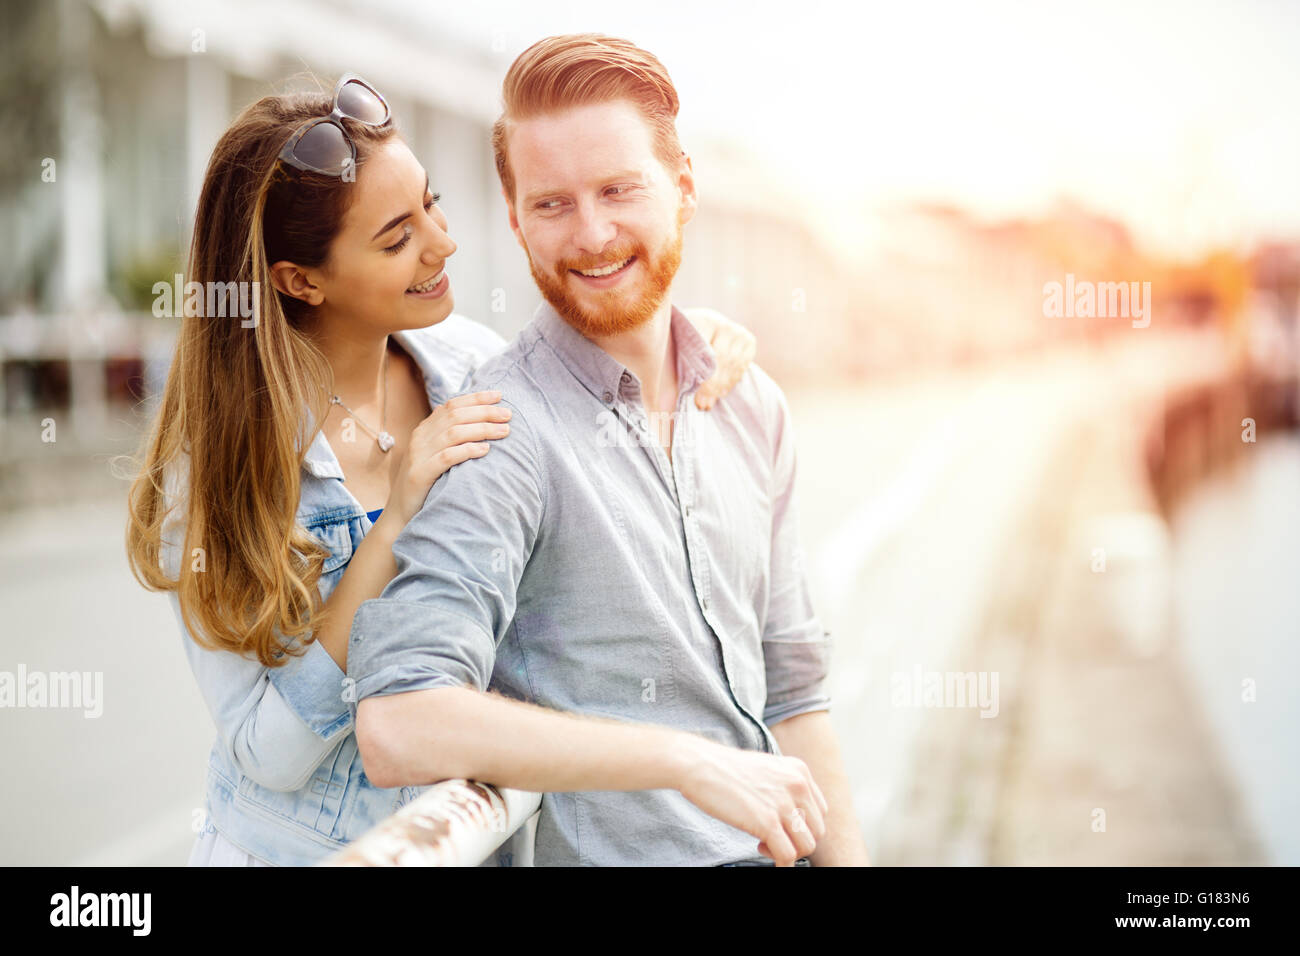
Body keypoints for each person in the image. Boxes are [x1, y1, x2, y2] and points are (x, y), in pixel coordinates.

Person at [124, 72, 759, 867]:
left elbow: (595, 413)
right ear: (300, 280)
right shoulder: (217, 471)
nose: (442, 242)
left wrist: (678, 332)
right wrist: (396, 520)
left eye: (432, 203)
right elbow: (267, 751)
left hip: (469, 841)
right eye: (396, 239)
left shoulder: (472, 364)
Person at [348, 35, 869, 867]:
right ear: (515, 220)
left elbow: (797, 694)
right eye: (552, 204)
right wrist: (683, 760)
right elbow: (399, 719)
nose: (591, 235)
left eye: (619, 189)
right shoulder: (500, 434)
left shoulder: (753, 406)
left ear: (684, 187)